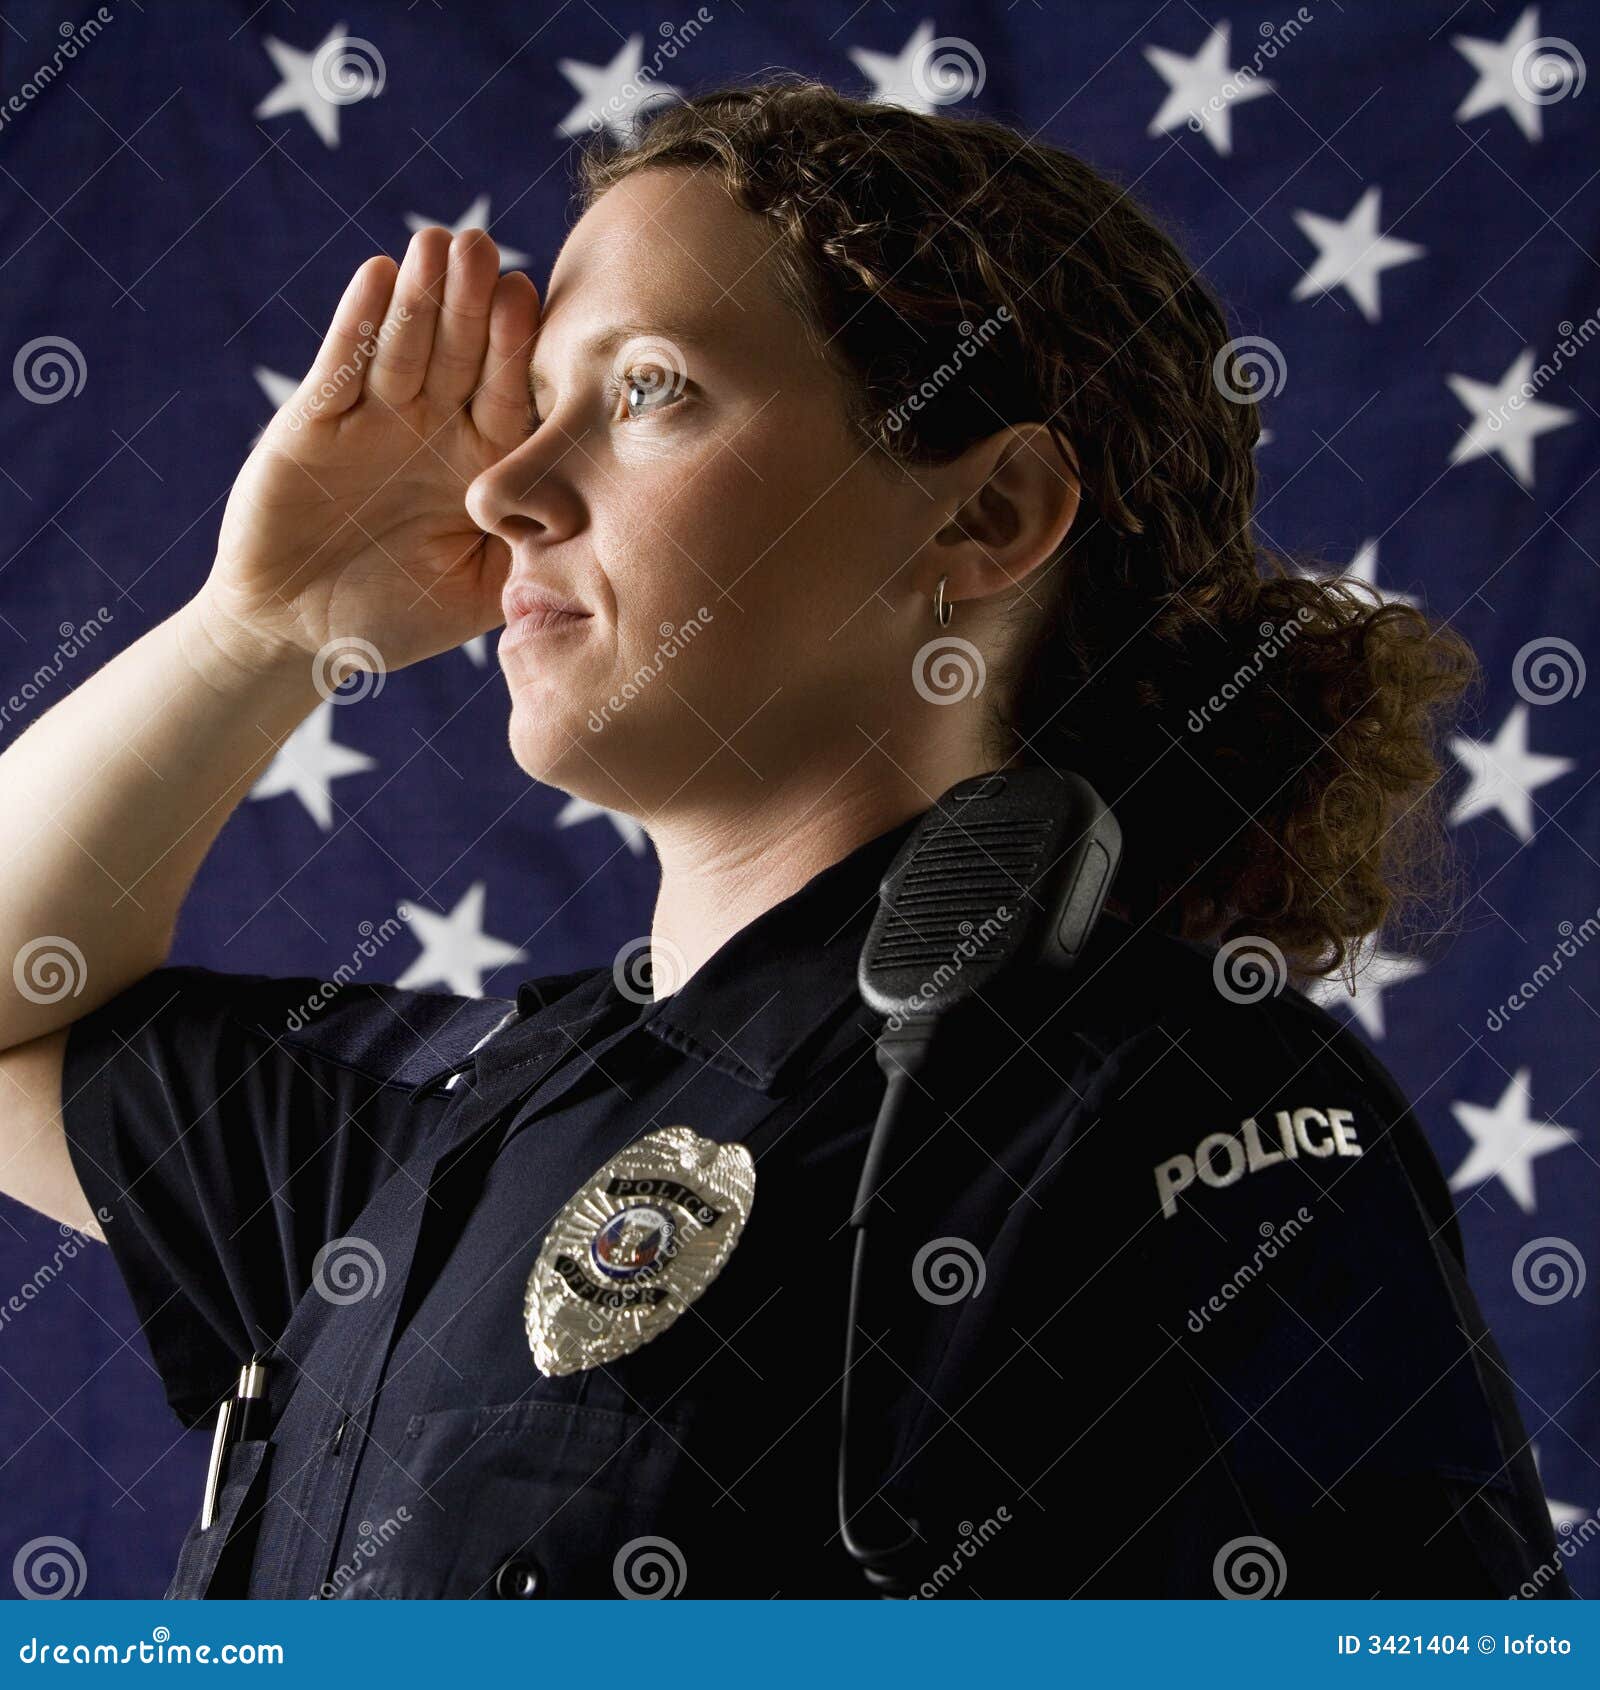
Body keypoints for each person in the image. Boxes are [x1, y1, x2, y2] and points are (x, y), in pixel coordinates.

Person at [0, 76, 1570, 1600]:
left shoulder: (1169, 1097)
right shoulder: (432, 1128)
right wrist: (261, 630)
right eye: (535, 410)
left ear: (986, 516)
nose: (505, 488)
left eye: (648, 392)